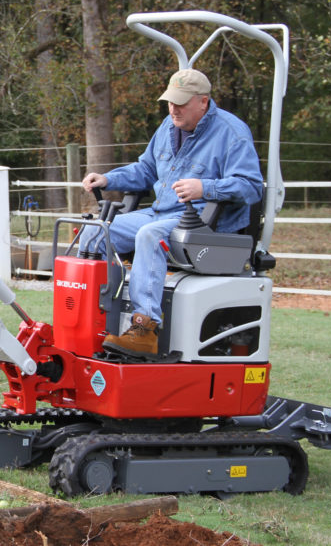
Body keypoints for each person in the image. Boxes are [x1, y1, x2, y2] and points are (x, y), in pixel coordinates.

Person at [79, 68, 263, 358]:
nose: (173, 108)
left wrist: (206, 188)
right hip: (160, 213)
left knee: (150, 235)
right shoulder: (167, 126)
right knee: (96, 231)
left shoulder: (232, 133)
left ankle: (144, 330)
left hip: (204, 226)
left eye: (181, 102)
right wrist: (109, 179)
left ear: (203, 102)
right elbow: (146, 170)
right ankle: (91, 321)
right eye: (170, 101)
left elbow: (251, 187)